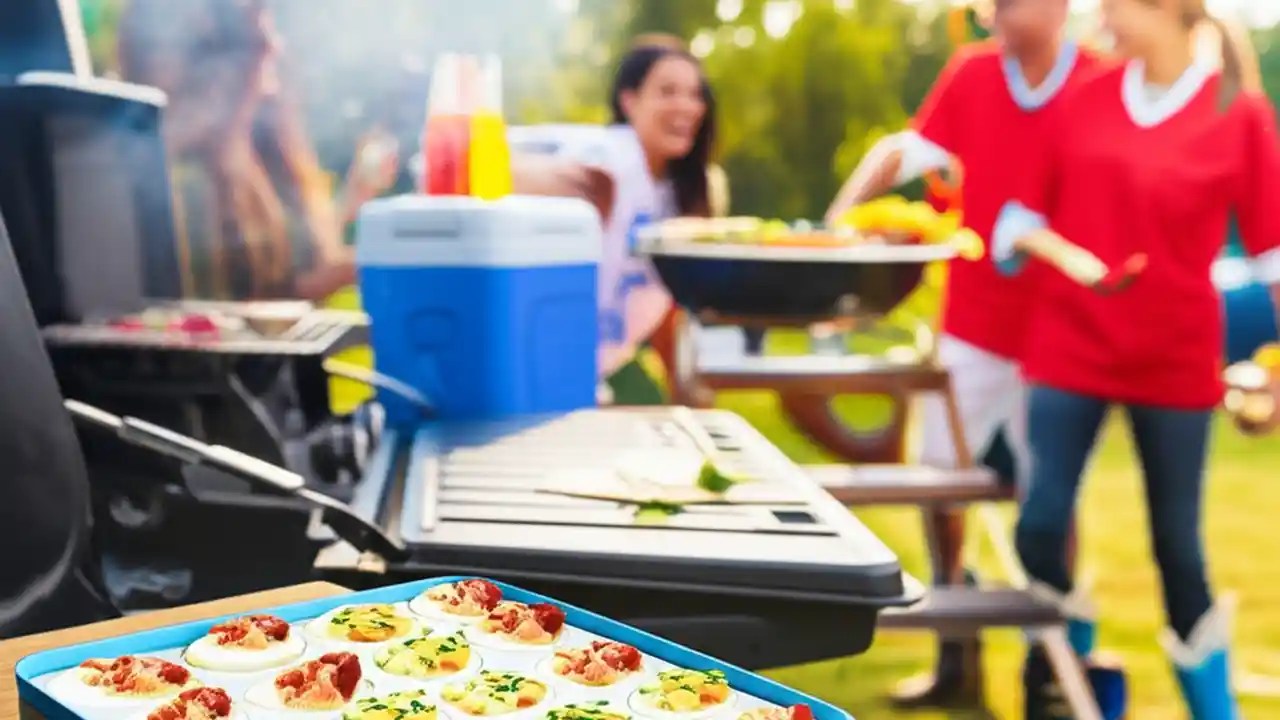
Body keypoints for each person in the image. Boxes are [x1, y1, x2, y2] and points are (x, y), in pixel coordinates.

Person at [992, 0, 1280, 715]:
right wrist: (1052, 251)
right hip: (1070, 344)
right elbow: (1019, 220)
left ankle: (1215, 709)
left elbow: (1274, 254)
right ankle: (1077, 662)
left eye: (1116, 3)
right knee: (1040, 523)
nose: (1103, 16)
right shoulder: (1086, 99)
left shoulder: (1237, 114)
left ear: (1170, 9)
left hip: (1175, 358)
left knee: (1177, 550)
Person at [824, 0, 1101, 708]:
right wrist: (837, 226)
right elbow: (902, 153)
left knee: (1052, 503)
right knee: (941, 486)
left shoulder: (1100, 80)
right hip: (973, 326)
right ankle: (958, 656)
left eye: (1010, 3)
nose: (994, 14)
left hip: (1061, 332)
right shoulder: (973, 74)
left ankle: (1050, 670)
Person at [116, 0, 395, 301]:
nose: (273, 45)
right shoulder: (182, 176)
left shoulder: (239, 157)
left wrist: (353, 200)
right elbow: (254, 304)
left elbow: (284, 274)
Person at [508, 39, 717, 399]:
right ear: (629, 100)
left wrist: (688, 394)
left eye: (694, 94)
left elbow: (665, 309)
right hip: (524, 376)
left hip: (580, 381)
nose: (686, 106)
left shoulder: (675, 194)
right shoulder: (611, 161)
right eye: (667, 91)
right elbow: (506, 173)